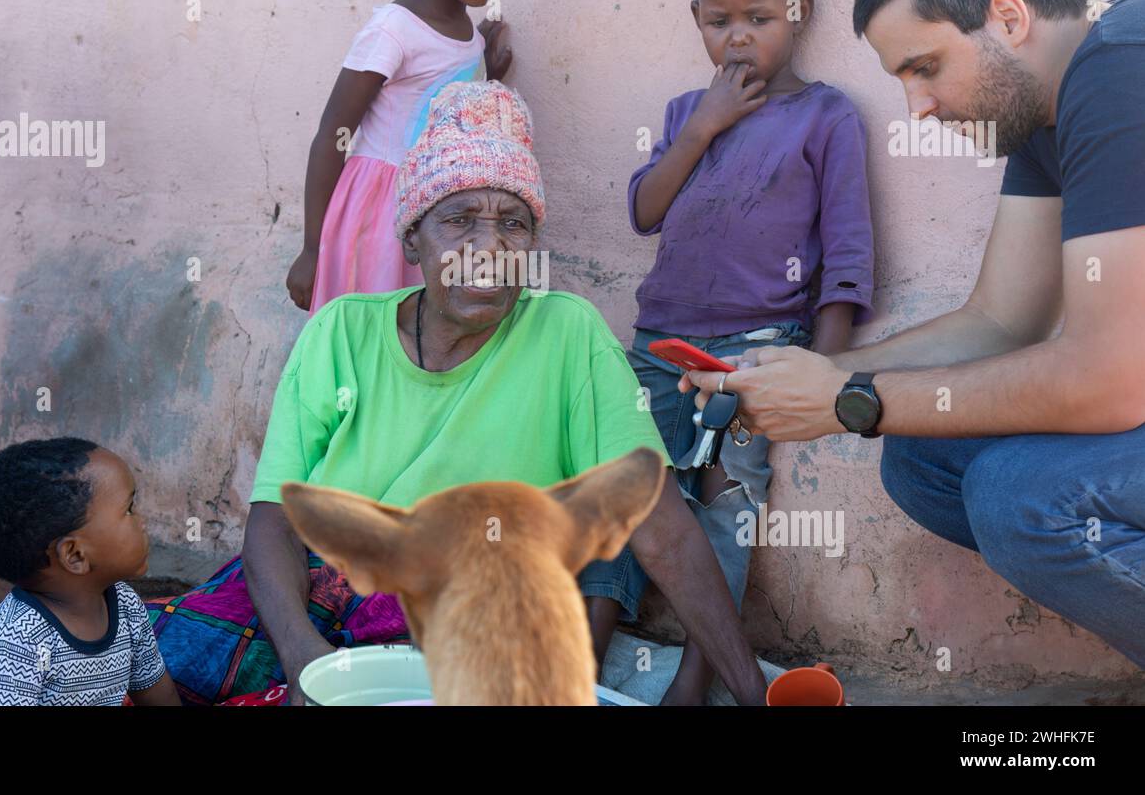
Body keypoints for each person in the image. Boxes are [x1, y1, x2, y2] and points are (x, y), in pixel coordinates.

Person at [152, 80, 771, 705]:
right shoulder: (340, 331)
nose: (488, 248)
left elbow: (661, 530)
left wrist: (752, 695)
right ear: (412, 239)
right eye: (458, 220)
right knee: (156, 666)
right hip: (318, 585)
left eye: (513, 223)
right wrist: (306, 660)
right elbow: (274, 520)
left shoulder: (567, 334)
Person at [684, 0, 1145, 668]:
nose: (917, 106)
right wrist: (821, 375)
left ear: (1007, 17)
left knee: (1017, 498)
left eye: (925, 67)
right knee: (926, 459)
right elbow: (1002, 319)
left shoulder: (1122, 75)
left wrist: (849, 404)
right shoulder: (1047, 99)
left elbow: (1108, 383)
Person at [579, 0, 874, 705]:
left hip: (758, 349)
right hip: (659, 343)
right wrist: (707, 124)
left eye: (760, 18)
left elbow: (846, 254)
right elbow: (644, 209)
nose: (738, 38)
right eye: (720, 22)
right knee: (625, 481)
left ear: (800, 13)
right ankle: (586, 648)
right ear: (696, 21)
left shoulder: (826, 116)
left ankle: (699, 674)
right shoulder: (685, 112)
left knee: (728, 492)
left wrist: (826, 365)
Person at [285, 0, 516, 313]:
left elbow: (441, 104)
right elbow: (333, 135)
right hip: (382, 213)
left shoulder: (467, 34)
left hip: (437, 210)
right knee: (376, 327)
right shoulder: (392, 30)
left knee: (422, 329)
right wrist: (314, 248)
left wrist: (485, 69)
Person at [0, 438, 180, 705]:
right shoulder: (17, 645)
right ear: (75, 555)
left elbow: (159, 695)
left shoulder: (126, 606)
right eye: (129, 509)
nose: (143, 522)